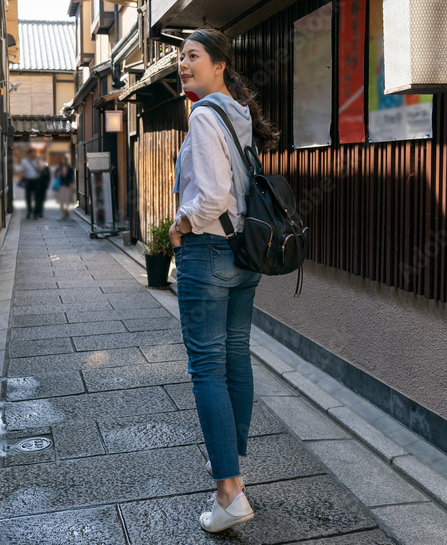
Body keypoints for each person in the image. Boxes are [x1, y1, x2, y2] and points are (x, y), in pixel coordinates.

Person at [169, 28, 279, 533]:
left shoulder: (204, 117)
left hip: (208, 252)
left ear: (218, 64)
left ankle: (229, 492)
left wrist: (179, 224)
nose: (182, 64)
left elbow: (212, 197)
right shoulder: (238, 115)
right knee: (236, 358)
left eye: (192, 56)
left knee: (207, 370)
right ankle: (231, 469)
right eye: (180, 57)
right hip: (243, 258)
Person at [19, 148, 44, 220]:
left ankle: (36, 213)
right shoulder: (24, 162)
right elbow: (22, 171)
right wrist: (20, 181)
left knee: (37, 197)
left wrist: (37, 162)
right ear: (29, 154)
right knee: (28, 197)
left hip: (37, 180)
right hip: (28, 181)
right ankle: (29, 211)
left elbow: (41, 170)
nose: (34, 154)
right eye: (33, 153)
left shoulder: (38, 161)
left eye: (35, 153)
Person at [55, 154, 76, 219]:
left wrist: (72, 184)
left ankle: (66, 211)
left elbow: (71, 177)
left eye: (64, 160)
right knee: (61, 200)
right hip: (60, 186)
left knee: (67, 200)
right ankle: (64, 212)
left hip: (67, 185)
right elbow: (55, 176)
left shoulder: (69, 168)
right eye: (62, 160)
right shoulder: (59, 168)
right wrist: (58, 174)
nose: (63, 161)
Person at [34, 152, 52, 219]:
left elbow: (48, 177)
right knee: (37, 199)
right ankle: (37, 212)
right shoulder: (35, 167)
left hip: (43, 186)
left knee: (42, 199)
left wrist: (46, 185)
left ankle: (40, 212)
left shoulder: (46, 167)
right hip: (36, 186)